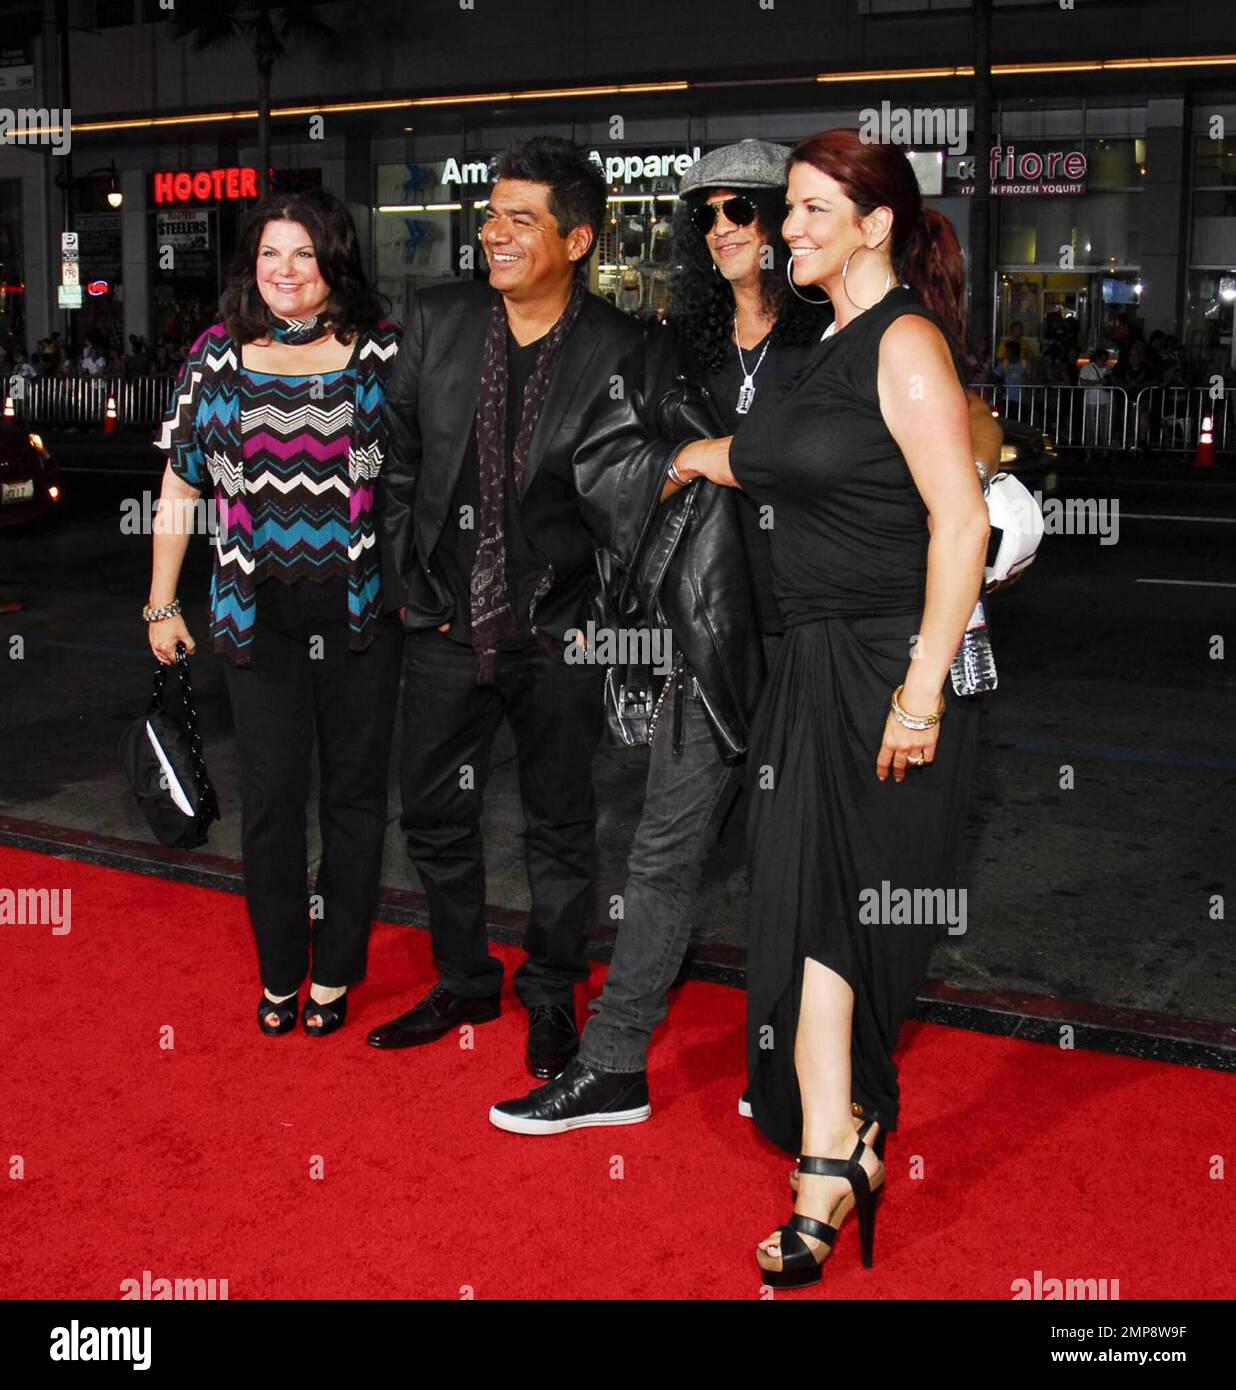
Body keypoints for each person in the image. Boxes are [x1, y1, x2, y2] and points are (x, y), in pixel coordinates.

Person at [487, 140, 1001, 1136]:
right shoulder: (682, 346)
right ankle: (613, 1066)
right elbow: (620, 456)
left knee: (806, 874)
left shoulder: (844, 325)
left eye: (747, 209)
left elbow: (961, 426)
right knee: (665, 852)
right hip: (720, 633)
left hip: (826, 634)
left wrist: (966, 467)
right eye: (707, 214)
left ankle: (805, 1083)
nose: (726, 228)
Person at [678, 128, 989, 1288]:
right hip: (809, 670)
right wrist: (679, 458)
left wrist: (918, 696)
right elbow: (769, 459)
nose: (789, 225)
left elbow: (961, 524)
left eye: (812, 209)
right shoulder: (828, 345)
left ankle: (841, 1142)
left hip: (887, 670)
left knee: (866, 926)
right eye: (787, 207)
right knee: (806, 915)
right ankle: (831, 1154)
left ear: (874, 223)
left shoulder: (901, 339)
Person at [370, 136, 680, 1079]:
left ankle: (551, 994)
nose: (495, 233)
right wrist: (405, 585)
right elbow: (395, 462)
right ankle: (463, 976)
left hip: (562, 631)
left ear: (578, 238)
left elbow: (657, 482)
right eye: (490, 215)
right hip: (443, 623)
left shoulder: (627, 348)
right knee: (429, 811)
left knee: (558, 823)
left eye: (521, 219)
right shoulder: (438, 318)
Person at [147, 187, 404, 1038]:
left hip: (361, 608)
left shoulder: (381, 354)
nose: (285, 271)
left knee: (356, 799)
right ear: (249, 267)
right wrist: (159, 603)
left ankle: (336, 974)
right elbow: (181, 485)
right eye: (269, 254)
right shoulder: (216, 357)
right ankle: (282, 970)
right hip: (254, 611)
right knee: (270, 798)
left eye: (304, 254)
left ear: (336, 263)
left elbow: (423, 480)